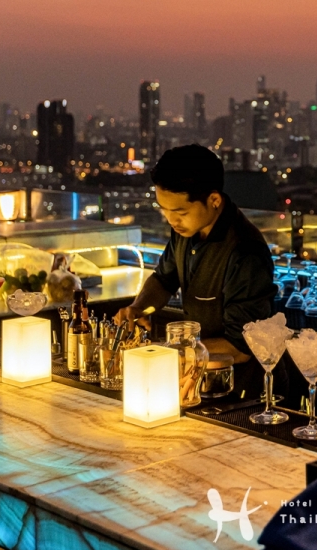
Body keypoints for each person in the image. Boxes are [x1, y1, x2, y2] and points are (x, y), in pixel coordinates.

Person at [115, 144, 279, 397]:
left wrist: (167, 352)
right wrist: (139, 308)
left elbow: (241, 347)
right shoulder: (187, 229)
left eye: (180, 211)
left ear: (214, 200)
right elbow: (164, 279)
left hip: (240, 391)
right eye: (164, 210)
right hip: (195, 378)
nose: (171, 220)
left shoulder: (245, 252)